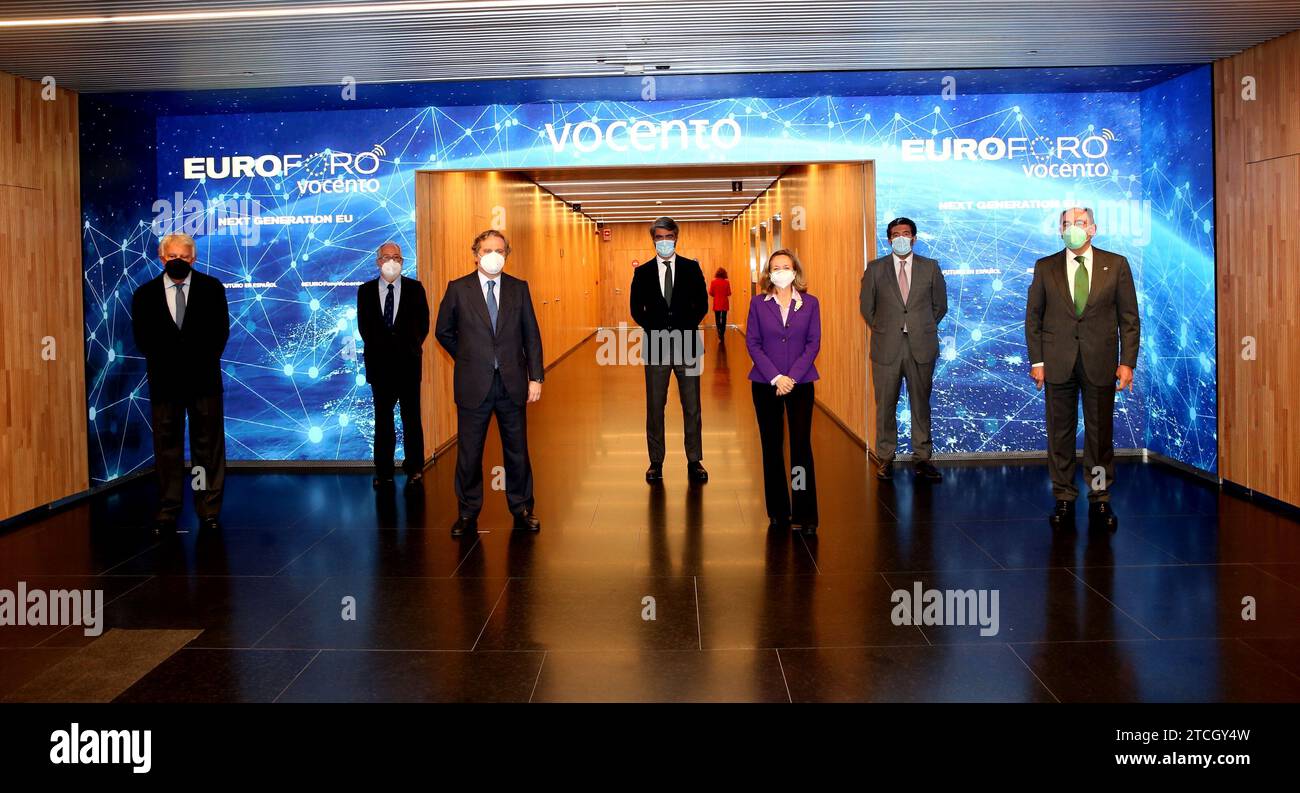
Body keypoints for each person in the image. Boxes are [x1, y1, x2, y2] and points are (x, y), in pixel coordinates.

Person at [1025, 206, 1139, 531]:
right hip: (1057, 364)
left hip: (1101, 363)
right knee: (1059, 436)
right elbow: (1034, 318)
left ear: (1093, 228)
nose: (1071, 228)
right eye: (1065, 224)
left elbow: (1129, 319)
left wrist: (1127, 362)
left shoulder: (1115, 265)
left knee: (1099, 436)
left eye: (1079, 223)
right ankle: (1063, 496)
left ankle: (1100, 498)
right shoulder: (1045, 267)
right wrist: (1038, 361)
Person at [435, 229, 544, 536]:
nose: (494, 255)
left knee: (517, 450)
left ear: (506, 254)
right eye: (488, 250)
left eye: (500, 250)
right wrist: (468, 356)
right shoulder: (458, 289)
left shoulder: (518, 288)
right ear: (476, 254)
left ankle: (522, 507)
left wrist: (535, 377)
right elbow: (443, 331)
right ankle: (468, 512)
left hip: (512, 384)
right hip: (473, 385)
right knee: (470, 452)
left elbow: (531, 336)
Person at [130, 232, 230, 533]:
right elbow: (143, 340)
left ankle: (208, 507)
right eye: (172, 257)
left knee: (207, 449)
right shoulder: (144, 294)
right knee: (168, 449)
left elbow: (219, 334)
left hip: (204, 383)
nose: (177, 262)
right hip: (165, 384)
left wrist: (195, 363)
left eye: (183, 258)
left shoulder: (212, 289)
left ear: (193, 259)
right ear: (162, 258)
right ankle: (168, 508)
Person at [859, 217, 947, 482]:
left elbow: (939, 306)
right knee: (885, 405)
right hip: (887, 347)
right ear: (888, 240)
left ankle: (922, 458)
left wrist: (918, 326)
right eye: (895, 234)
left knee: (921, 404)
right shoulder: (875, 269)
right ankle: (885, 458)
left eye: (906, 233)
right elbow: (867, 308)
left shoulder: (930, 267)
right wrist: (888, 327)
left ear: (914, 238)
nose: (901, 237)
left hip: (922, 345)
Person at [630, 217, 710, 484]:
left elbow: (701, 305)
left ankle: (694, 460)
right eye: (659, 237)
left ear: (676, 237)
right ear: (653, 239)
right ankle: (655, 461)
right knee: (655, 406)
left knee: (692, 406)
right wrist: (657, 329)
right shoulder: (641, 273)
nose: (664, 242)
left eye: (668, 237)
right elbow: (635, 310)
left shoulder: (691, 268)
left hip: (687, 344)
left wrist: (683, 326)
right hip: (656, 347)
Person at [746, 250, 821, 533]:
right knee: (772, 446)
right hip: (765, 384)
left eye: (786, 267)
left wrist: (792, 377)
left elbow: (813, 344)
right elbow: (753, 343)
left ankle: (805, 513)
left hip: (800, 384)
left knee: (801, 447)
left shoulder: (810, 303)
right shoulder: (758, 304)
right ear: (769, 273)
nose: (781, 271)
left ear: (795, 271)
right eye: (775, 267)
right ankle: (778, 510)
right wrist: (777, 377)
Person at [356, 241, 430, 489]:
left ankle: (415, 468)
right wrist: (383, 351)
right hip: (380, 369)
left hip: (409, 366)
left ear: (402, 262)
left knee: (411, 420)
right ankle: (384, 471)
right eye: (386, 257)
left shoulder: (415, 289)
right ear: (378, 262)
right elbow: (365, 328)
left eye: (396, 257)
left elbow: (423, 325)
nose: (391, 261)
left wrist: (408, 349)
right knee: (383, 421)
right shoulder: (365, 291)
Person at [709, 267, 732, 340]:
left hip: (717, 302)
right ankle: (722, 333)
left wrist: (716, 295)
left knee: (717, 318)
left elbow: (711, 293)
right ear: (725, 274)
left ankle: (719, 331)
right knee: (724, 318)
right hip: (724, 303)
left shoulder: (713, 282)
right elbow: (729, 293)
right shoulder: (727, 282)